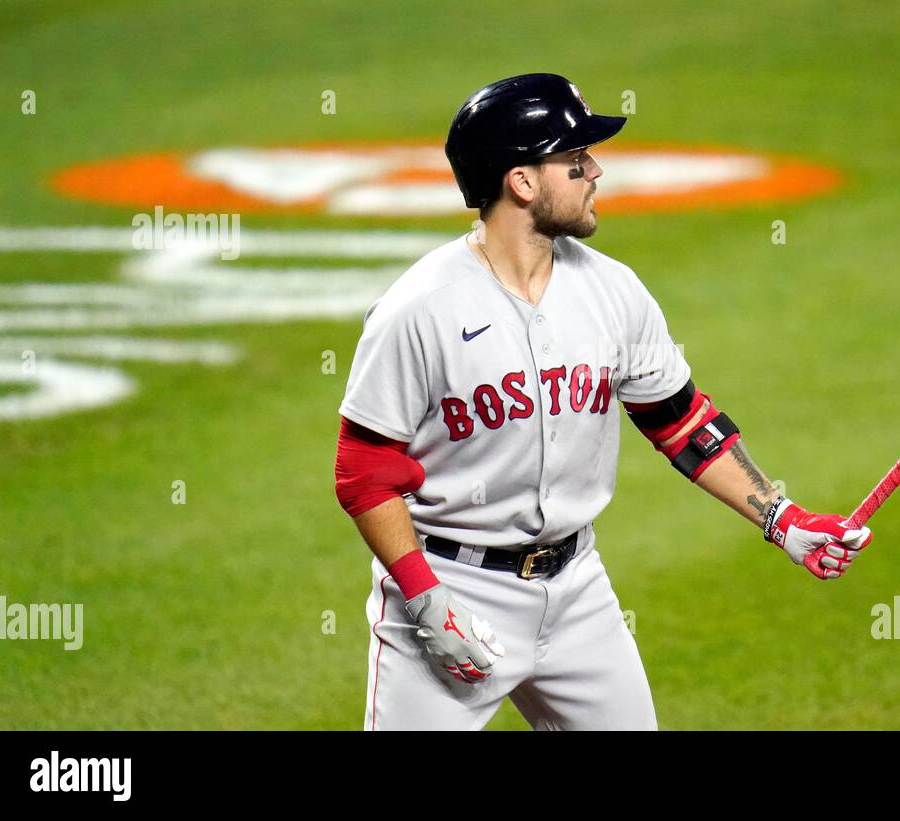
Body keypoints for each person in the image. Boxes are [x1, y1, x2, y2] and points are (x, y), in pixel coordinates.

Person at [333, 73, 872, 730]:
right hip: (450, 584)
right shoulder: (418, 310)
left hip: (576, 588)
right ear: (523, 183)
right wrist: (423, 597)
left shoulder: (613, 292)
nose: (597, 170)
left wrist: (782, 519)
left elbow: (683, 425)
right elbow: (363, 472)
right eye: (575, 158)